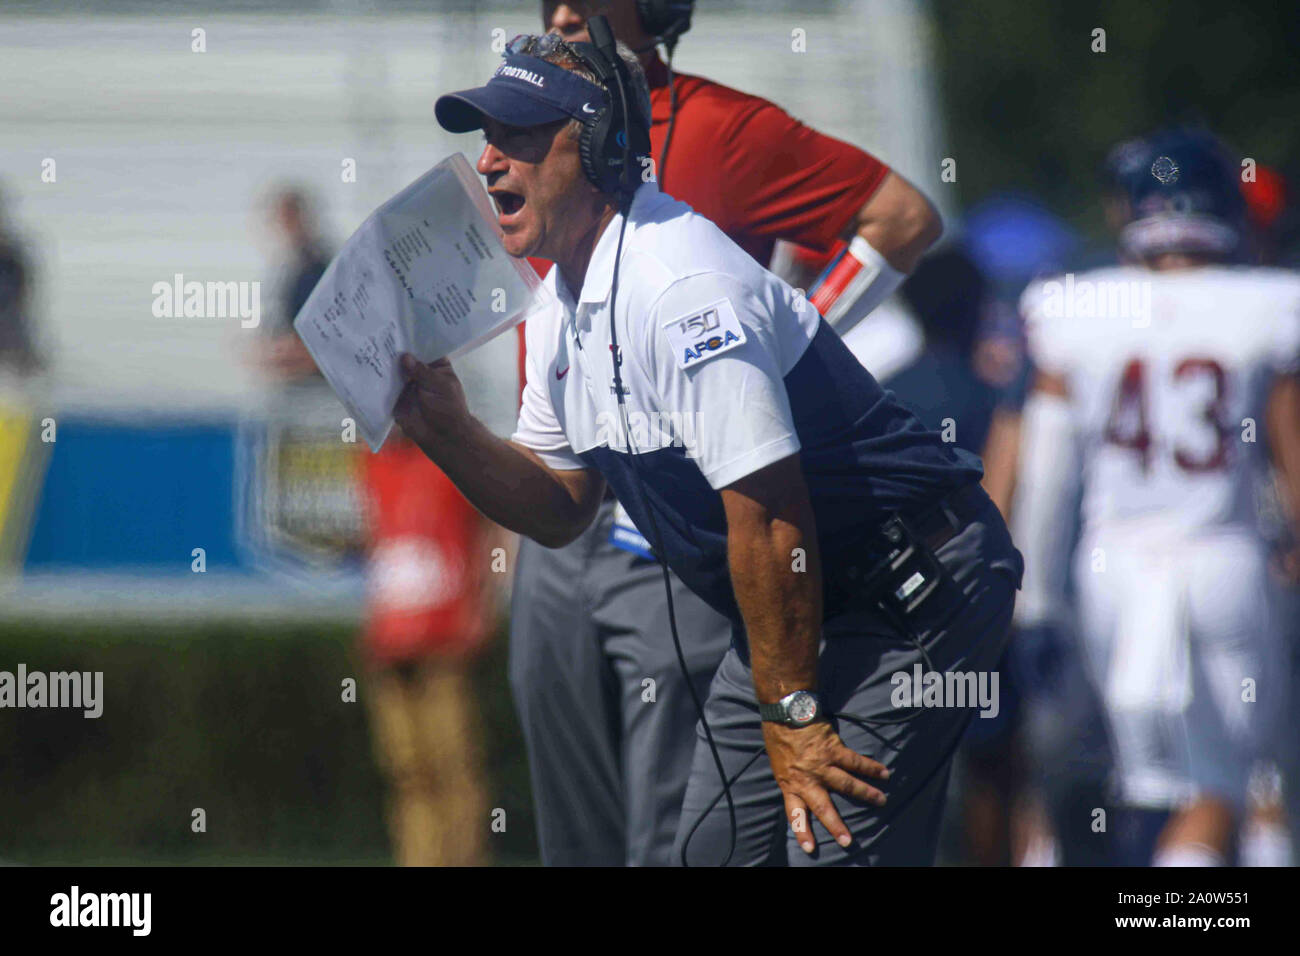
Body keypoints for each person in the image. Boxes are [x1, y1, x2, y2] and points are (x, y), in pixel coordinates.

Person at [397, 27, 1020, 866]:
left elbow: (768, 520)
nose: (488, 163)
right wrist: (446, 430)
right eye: (487, 139)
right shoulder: (558, 305)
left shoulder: (681, 288)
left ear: (598, 150)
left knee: (828, 853)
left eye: (517, 136)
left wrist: (793, 718)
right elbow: (559, 509)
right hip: (812, 596)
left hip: (913, 591)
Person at [509, 0, 943, 866]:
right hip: (572, 493)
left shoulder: (723, 125)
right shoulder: (522, 138)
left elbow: (902, 218)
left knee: (677, 822)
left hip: (685, 516)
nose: (563, 12)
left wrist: (793, 347)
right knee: (570, 825)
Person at [1014, 128, 1300, 866]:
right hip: (1226, 561)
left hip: (1113, 571)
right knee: (1232, 782)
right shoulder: (1269, 303)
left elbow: (1045, 476)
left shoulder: (1072, 307)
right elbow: (1293, 453)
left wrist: (1035, 600)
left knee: (1153, 782)